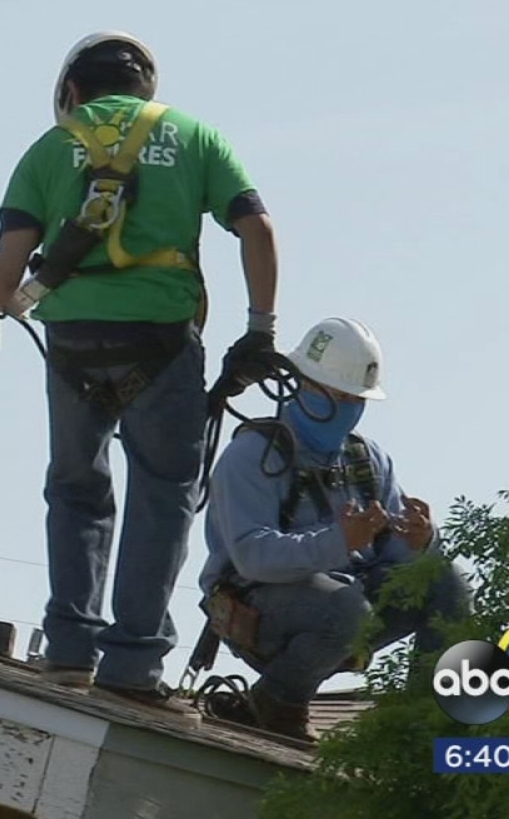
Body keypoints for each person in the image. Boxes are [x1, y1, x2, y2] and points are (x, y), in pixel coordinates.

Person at [0, 31, 283, 716]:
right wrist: (260, 331)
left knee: (76, 488)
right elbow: (257, 229)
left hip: (75, 341)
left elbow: (6, 272)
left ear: (72, 92)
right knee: (164, 490)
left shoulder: (47, 150)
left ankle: (69, 654)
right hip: (161, 341)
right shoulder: (195, 138)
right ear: (146, 92)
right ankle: (133, 659)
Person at [196, 317, 471, 742]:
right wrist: (337, 542)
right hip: (263, 610)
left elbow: (396, 561)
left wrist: (420, 543)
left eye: (354, 399)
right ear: (301, 386)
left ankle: (431, 724)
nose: (344, 408)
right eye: (334, 395)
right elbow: (252, 557)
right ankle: (278, 699)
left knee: (443, 579)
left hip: (347, 600)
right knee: (346, 610)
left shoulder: (365, 458)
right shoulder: (253, 455)